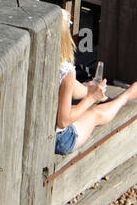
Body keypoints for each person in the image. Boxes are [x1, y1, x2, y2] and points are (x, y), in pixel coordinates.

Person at [55, 11, 137, 156]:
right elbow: (63, 121)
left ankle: (94, 92)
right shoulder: (65, 70)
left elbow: (69, 87)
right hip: (60, 139)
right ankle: (126, 96)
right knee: (94, 114)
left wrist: (90, 93)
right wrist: (90, 99)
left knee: (73, 87)